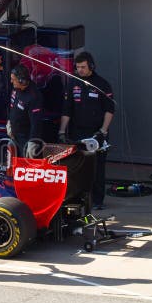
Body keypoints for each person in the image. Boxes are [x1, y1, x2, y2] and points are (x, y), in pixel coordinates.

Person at [58, 52, 114, 210]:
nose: (80, 70)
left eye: (83, 67)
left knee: (97, 168)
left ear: (91, 66)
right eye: (78, 67)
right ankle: (78, 199)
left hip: (97, 134)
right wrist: (62, 131)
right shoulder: (73, 82)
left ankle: (98, 200)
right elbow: (67, 109)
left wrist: (103, 131)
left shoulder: (102, 84)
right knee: (77, 166)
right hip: (77, 133)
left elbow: (110, 110)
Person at [6, 64, 44, 158]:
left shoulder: (34, 96)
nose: (11, 81)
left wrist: (33, 142)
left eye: (13, 79)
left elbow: (36, 122)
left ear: (21, 80)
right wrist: (9, 122)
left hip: (26, 139)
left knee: (25, 166)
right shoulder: (16, 89)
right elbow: (12, 107)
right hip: (15, 137)